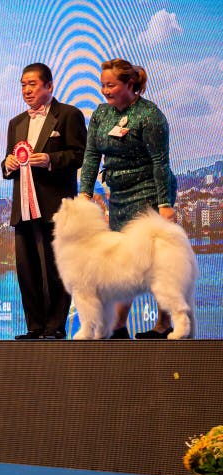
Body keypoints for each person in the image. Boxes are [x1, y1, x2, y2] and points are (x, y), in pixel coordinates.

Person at [78, 59, 178, 339]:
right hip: (119, 196)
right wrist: (85, 192)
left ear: (130, 85)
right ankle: (120, 324)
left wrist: (165, 205)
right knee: (122, 261)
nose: (104, 90)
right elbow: (91, 155)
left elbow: (160, 162)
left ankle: (164, 323)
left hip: (150, 193)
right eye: (102, 85)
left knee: (156, 261)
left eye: (110, 85)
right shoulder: (100, 114)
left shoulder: (149, 116)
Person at [3, 63, 87, 340]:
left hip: (55, 207)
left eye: (33, 84)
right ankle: (35, 327)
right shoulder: (16, 123)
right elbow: (6, 165)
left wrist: (51, 159)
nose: (27, 90)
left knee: (55, 268)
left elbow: (79, 155)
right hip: (23, 208)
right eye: (23, 85)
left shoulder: (69, 115)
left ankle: (55, 326)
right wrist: (8, 163)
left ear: (49, 86)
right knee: (27, 271)